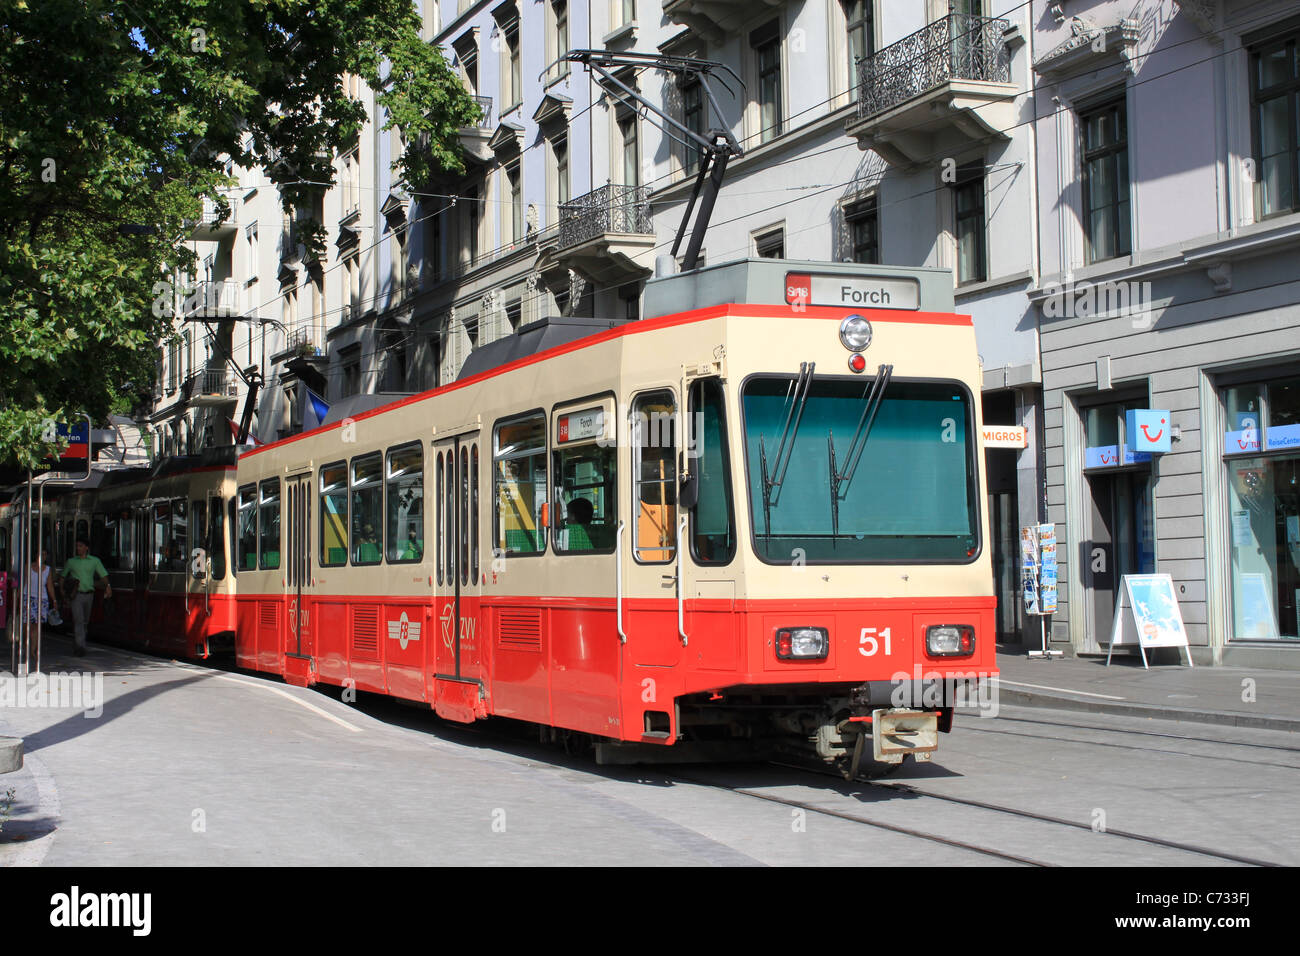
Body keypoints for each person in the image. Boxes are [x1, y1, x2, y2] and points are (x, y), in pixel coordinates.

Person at [62, 536, 111, 656]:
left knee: (85, 622)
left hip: (89, 595)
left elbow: (103, 576)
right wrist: (63, 593)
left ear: (86, 548)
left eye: (80, 546)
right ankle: (80, 647)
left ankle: (78, 642)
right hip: (76, 595)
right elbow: (62, 577)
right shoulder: (71, 562)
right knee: (79, 620)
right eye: (77, 546)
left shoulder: (95, 561)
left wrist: (108, 586)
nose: (78, 548)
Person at [27, 549, 59, 627]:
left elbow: (50, 586)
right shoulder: (28, 567)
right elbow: (23, 583)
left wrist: (54, 600)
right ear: (36, 555)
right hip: (28, 597)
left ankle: (35, 639)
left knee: (37, 625)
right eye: (41, 554)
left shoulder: (48, 569)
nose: (43, 556)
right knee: (28, 625)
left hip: (42, 599)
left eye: (45, 554)